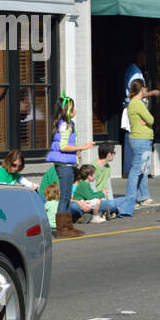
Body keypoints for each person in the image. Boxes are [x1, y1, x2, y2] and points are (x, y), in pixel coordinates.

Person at [46, 94, 98, 237]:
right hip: (64, 166)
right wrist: (83, 146)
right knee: (64, 197)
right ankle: (62, 229)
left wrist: (77, 152)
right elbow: (63, 147)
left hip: (66, 164)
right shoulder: (66, 125)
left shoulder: (64, 124)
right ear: (68, 111)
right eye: (73, 108)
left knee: (67, 195)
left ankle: (68, 226)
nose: (75, 111)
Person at [124, 79, 158, 208]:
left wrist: (146, 120)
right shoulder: (137, 103)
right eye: (145, 88)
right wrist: (146, 120)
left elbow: (147, 120)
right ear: (141, 89)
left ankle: (143, 196)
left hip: (141, 138)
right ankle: (131, 198)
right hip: (141, 139)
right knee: (137, 170)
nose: (146, 90)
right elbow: (151, 119)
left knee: (143, 170)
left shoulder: (135, 103)